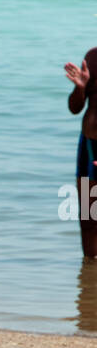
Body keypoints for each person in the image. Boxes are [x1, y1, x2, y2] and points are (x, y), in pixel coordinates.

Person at [65, 45, 97, 256]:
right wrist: (80, 88)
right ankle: (89, 280)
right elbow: (75, 108)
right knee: (88, 219)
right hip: (89, 145)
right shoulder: (92, 57)